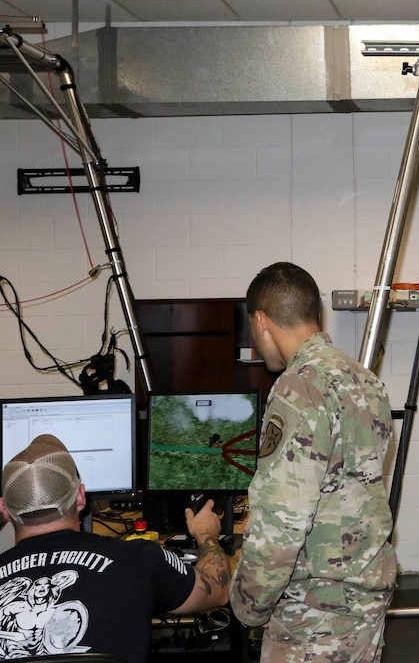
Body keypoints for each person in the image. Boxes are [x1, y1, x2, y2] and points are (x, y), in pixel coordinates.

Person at [231, 262, 396, 663]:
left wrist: (246, 606)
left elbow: (283, 522)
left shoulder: (297, 388)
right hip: (363, 595)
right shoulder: (363, 378)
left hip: (315, 613)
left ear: (261, 320)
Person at [0, 434, 230, 661]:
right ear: (81, 497)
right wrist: (206, 534)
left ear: (4, 510)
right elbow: (219, 591)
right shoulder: (138, 558)